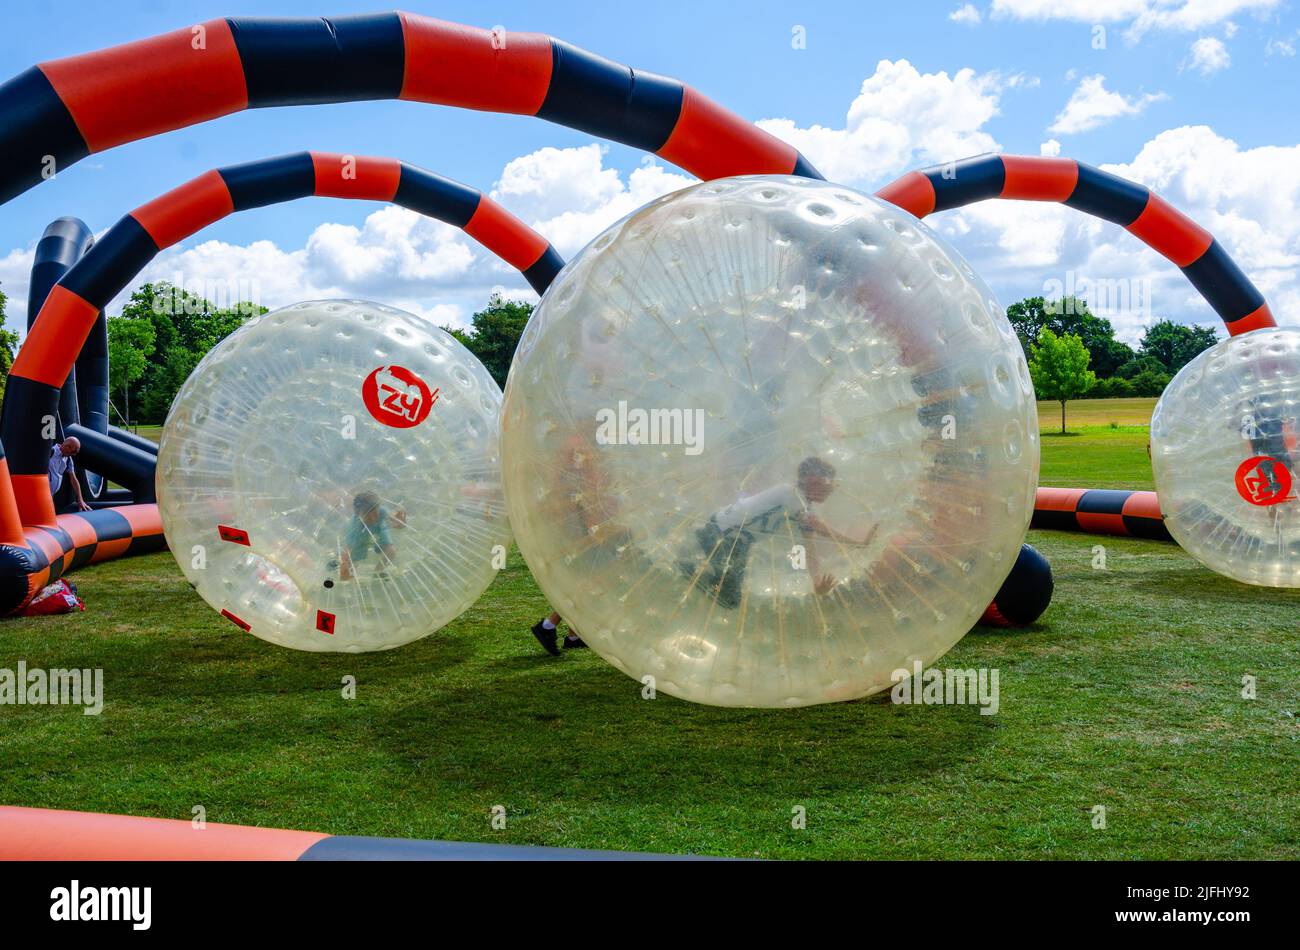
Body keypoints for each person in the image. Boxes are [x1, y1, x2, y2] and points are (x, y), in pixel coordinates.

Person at [682, 456, 874, 608]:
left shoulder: (801, 505)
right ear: (813, 480)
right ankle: (685, 568)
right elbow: (819, 528)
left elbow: (810, 549)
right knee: (729, 597)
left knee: (729, 595)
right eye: (828, 482)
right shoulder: (790, 493)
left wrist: (816, 582)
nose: (832, 488)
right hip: (722, 535)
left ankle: (694, 566)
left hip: (735, 543)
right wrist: (857, 542)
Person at [339, 492, 405, 581]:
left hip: (379, 529)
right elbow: (348, 549)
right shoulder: (355, 528)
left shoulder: (381, 511)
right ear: (358, 515)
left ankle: (378, 572)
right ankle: (348, 573)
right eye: (367, 516)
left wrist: (400, 519)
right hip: (362, 534)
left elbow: (398, 522)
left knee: (391, 552)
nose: (373, 518)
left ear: (378, 508)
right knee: (354, 561)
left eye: (375, 514)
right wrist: (344, 565)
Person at [49, 437, 91, 512]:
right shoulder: (50, 452)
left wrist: (80, 499)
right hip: (41, 493)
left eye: (76, 452)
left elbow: (74, 479)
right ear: (67, 446)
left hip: (51, 496)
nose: (74, 454)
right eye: (73, 451)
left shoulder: (68, 459)